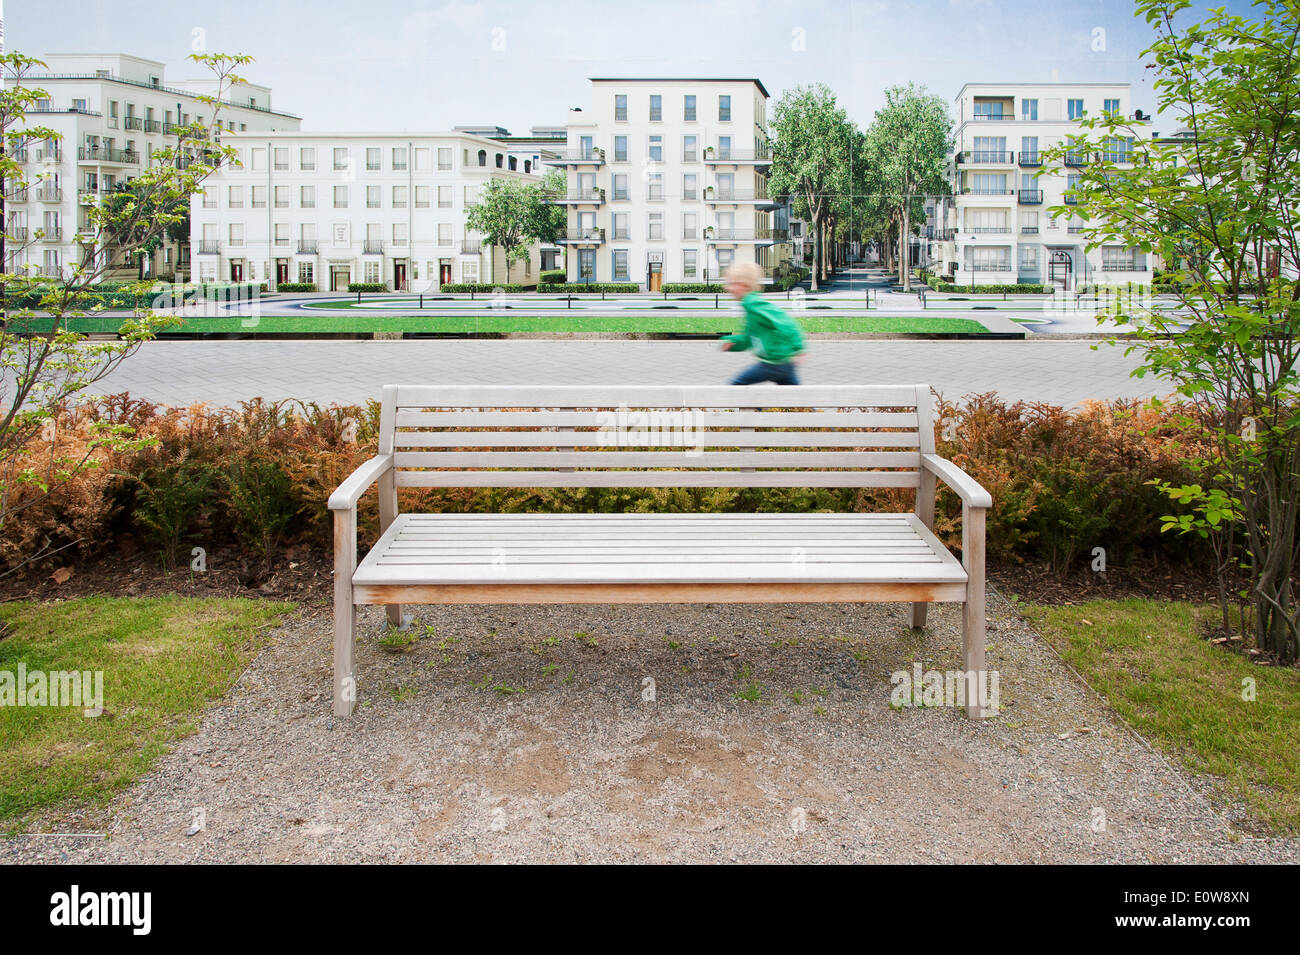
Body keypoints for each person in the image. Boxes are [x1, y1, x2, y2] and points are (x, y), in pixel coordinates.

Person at [718, 261, 805, 385]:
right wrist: (734, 343)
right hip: (783, 362)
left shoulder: (753, 304)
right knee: (796, 398)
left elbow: (785, 322)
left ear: (744, 285)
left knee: (736, 386)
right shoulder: (749, 306)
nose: (727, 288)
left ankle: (756, 405)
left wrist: (799, 347)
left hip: (774, 363)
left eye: (731, 284)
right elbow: (748, 339)